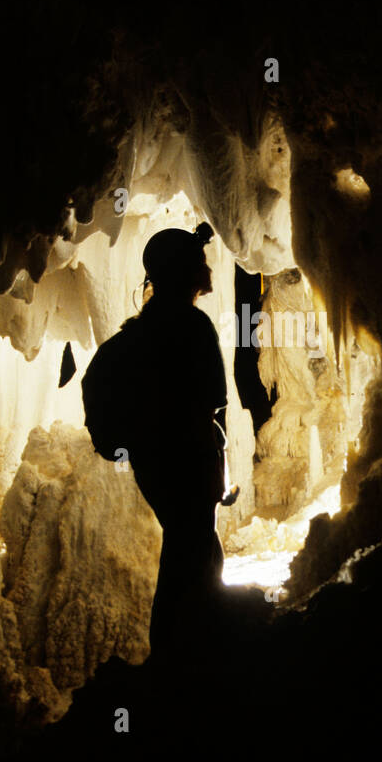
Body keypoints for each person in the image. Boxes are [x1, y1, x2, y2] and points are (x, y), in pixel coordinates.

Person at [127, 224, 231, 658]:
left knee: (195, 558)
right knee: (189, 567)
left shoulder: (141, 329)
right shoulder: (192, 325)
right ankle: (180, 663)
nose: (207, 267)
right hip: (188, 463)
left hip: (159, 467)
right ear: (184, 271)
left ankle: (180, 656)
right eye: (199, 260)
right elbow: (214, 396)